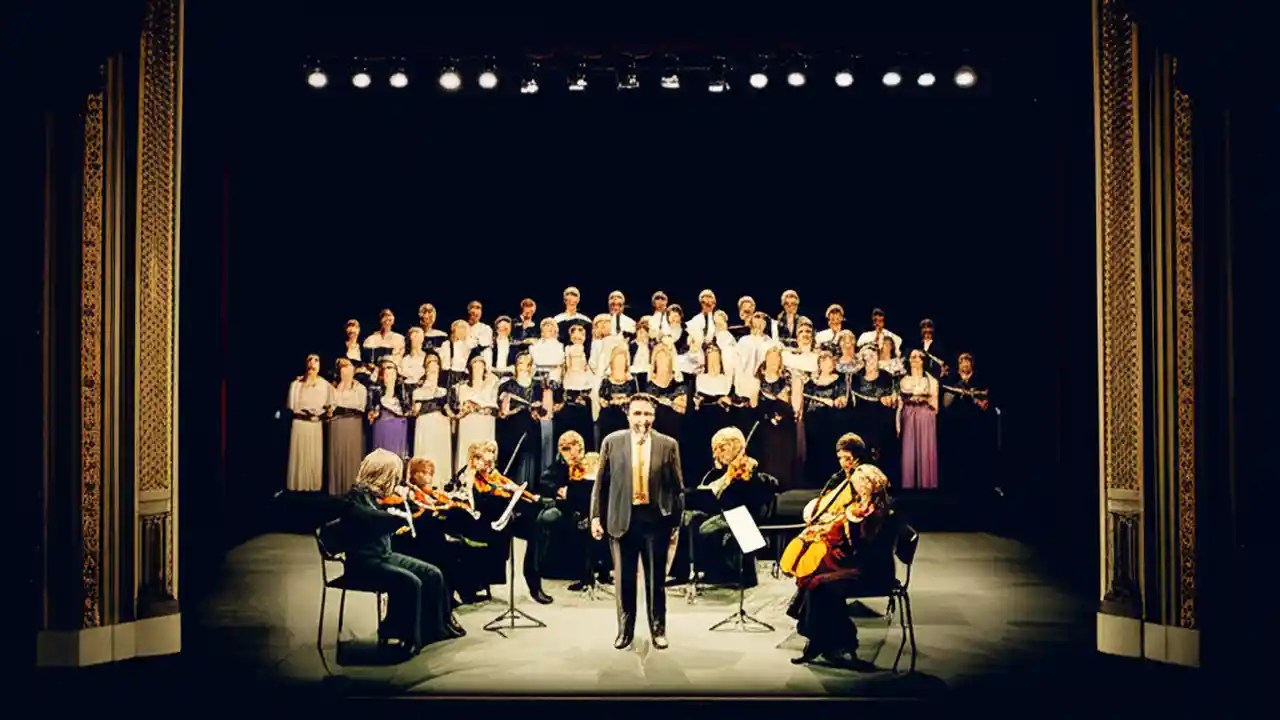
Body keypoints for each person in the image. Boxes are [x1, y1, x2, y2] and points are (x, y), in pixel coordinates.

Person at [336, 449, 465, 657]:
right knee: (410, 582)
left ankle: (433, 629)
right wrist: (398, 516)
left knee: (432, 573)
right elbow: (374, 518)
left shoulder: (376, 496)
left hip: (384, 556)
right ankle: (408, 638)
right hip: (363, 563)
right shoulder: (355, 499)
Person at [786, 433, 896, 667]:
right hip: (856, 560)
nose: (844, 464)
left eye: (848, 459)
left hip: (869, 569)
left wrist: (843, 526)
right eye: (840, 458)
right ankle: (824, 642)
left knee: (819, 583)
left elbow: (864, 544)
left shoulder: (875, 512)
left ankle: (839, 643)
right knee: (814, 578)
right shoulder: (859, 500)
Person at [590, 394, 685, 650]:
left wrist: (676, 520)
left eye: (647, 414)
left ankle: (658, 629)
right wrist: (596, 516)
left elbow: (677, 487)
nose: (643, 419)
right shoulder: (612, 442)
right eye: (638, 413)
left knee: (656, 580)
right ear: (628, 415)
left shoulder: (668, 444)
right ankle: (625, 630)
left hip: (655, 519)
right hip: (622, 518)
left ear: (654, 416)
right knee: (624, 579)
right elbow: (601, 483)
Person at [688, 427, 779, 587]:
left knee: (708, 528)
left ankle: (731, 574)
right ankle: (706, 571)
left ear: (735, 447)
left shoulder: (748, 468)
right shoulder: (720, 471)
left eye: (722, 449)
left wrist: (735, 480)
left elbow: (745, 498)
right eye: (715, 449)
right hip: (727, 512)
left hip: (745, 513)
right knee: (693, 519)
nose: (717, 454)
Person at [287, 354, 332, 492]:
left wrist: (323, 412)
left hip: (315, 423)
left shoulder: (325, 385)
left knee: (313, 455)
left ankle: (313, 486)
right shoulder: (296, 385)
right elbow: (291, 405)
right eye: (309, 360)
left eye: (316, 360)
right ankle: (297, 485)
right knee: (299, 454)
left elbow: (331, 404)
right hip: (300, 423)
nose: (312, 363)